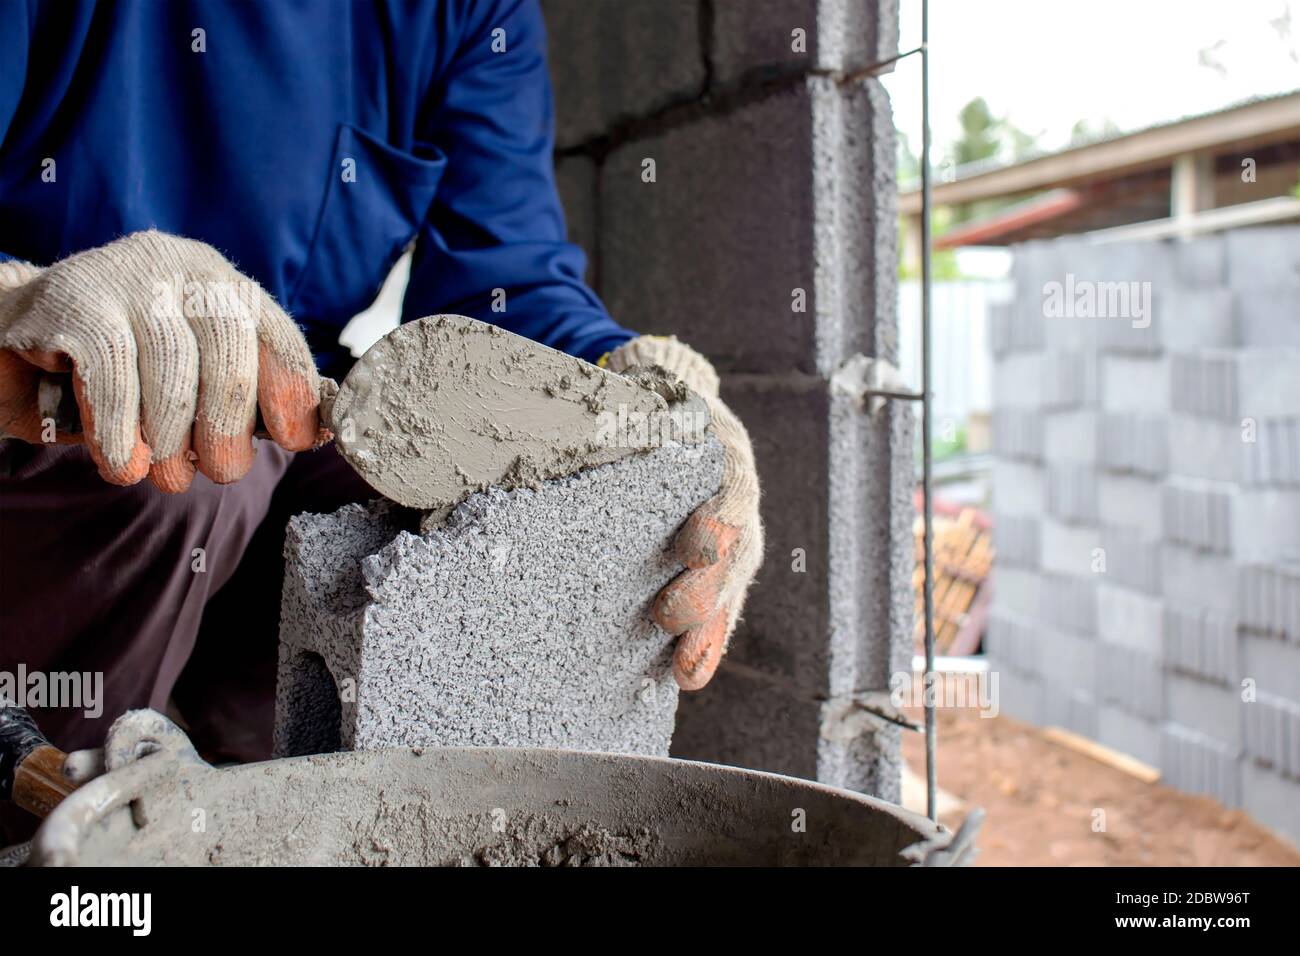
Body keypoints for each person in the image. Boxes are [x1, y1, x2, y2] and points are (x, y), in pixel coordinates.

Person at [0, 0, 762, 803]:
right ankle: (63, 831)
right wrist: (19, 306)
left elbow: (512, 286)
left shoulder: (466, 13)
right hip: (56, 407)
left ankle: (330, 815)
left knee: (497, 501)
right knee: (172, 475)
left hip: (293, 416)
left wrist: (654, 406)